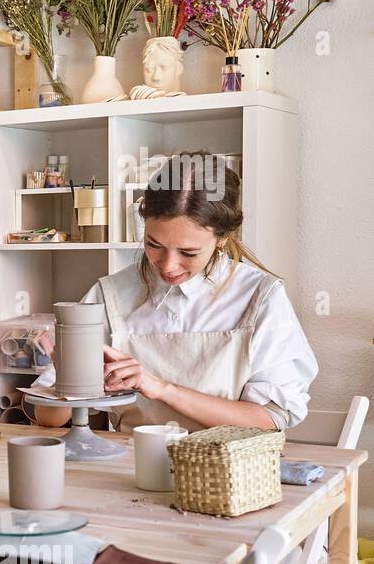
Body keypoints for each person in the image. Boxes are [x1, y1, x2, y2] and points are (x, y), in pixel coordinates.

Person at [32, 153, 316, 432]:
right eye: (154, 244)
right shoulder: (111, 294)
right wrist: (66, 376)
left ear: (222, 238)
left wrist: (163, 389)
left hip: (224, 471)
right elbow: (48, 419)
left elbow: (271, 419)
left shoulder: (259, 296)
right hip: (131, 467)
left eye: (188, 252)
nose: (168, 266)